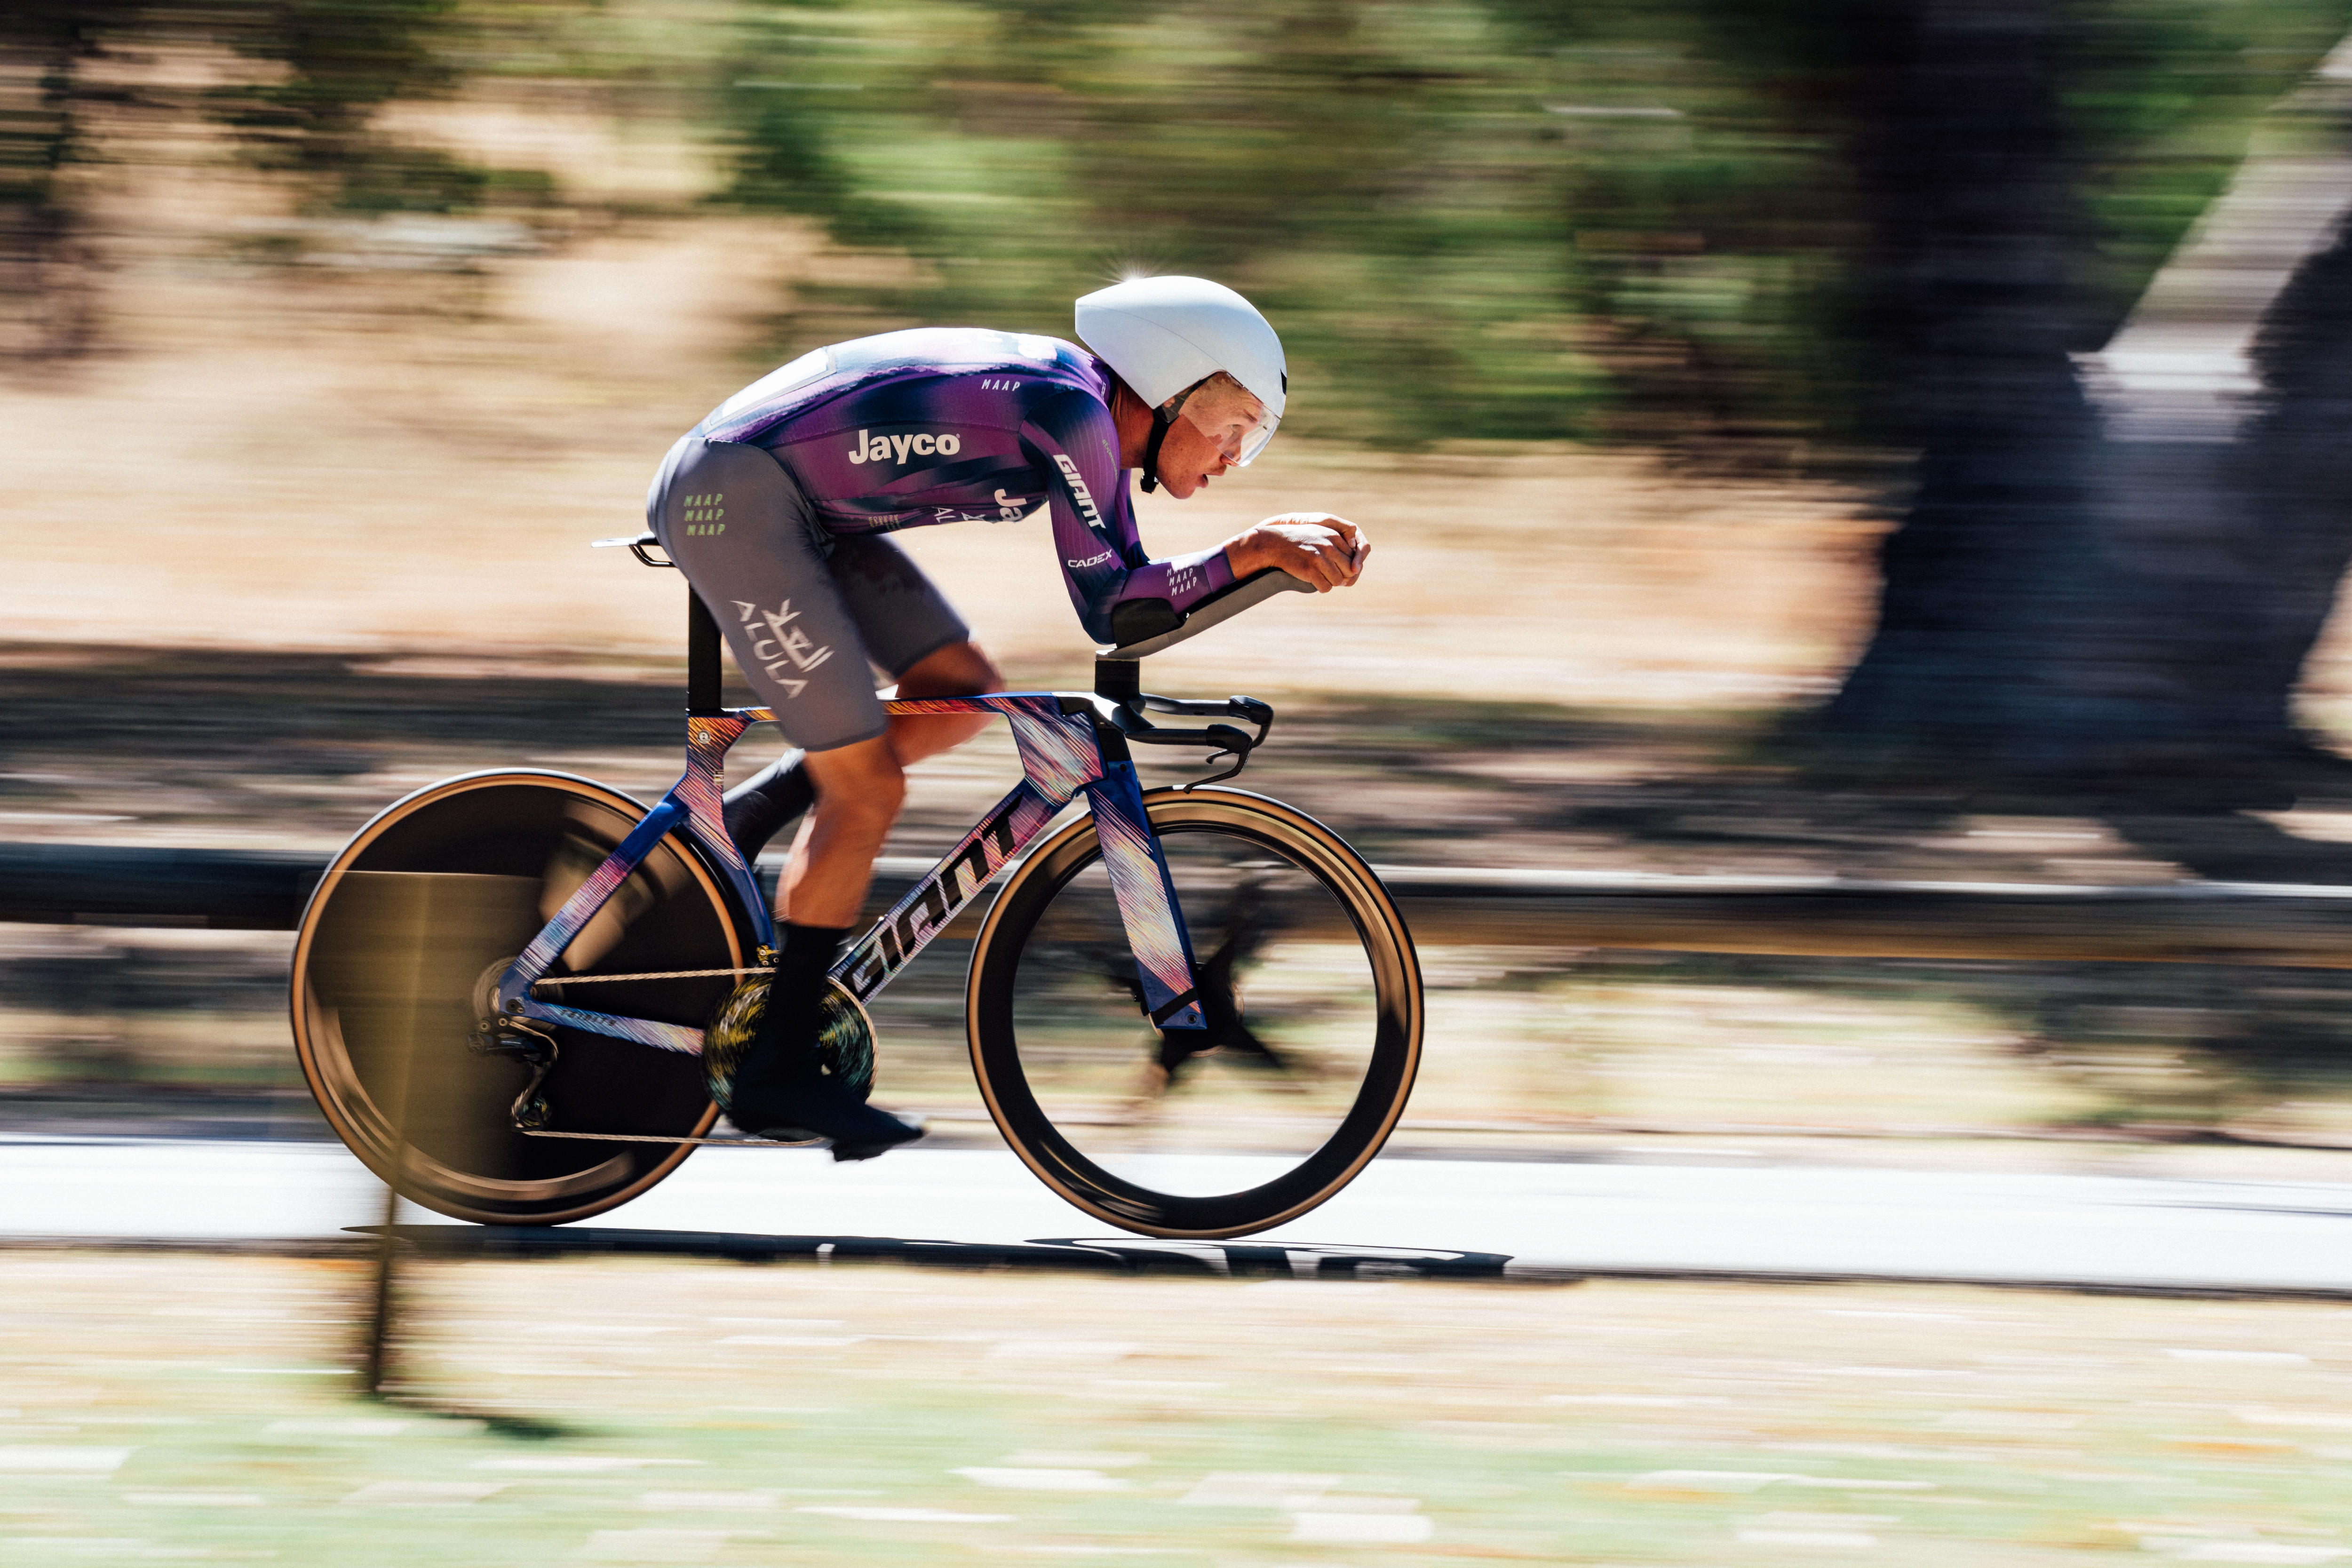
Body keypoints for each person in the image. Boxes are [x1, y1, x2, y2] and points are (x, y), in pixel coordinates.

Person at [644, 275, 1369, 1157]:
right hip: (735, 496)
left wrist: (1259, 562)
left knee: (955, 691)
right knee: (865, 786)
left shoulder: (1084, 408)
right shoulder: (1073, 411)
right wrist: (1254, 550)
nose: (1232, 457)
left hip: (797, 508)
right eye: (1235, 429)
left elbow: (1132, 599)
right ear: (1175, 385)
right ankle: (774, 1070)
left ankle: (747, 818)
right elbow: (1113, 607)